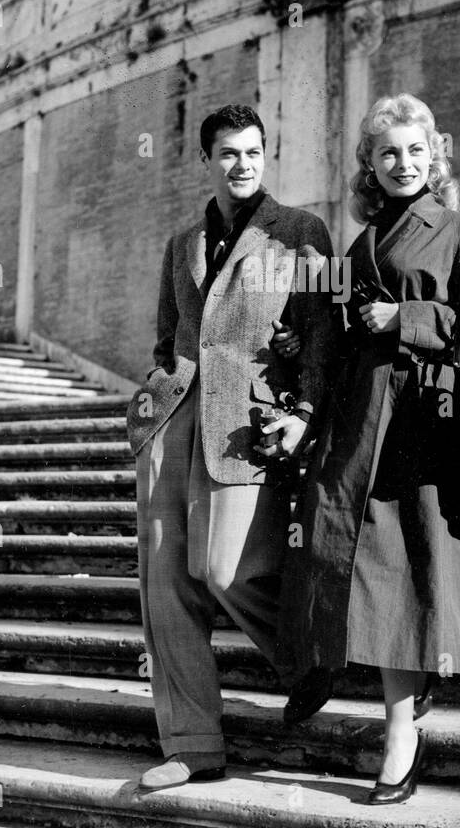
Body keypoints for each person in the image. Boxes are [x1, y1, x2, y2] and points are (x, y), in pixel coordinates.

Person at [276, 93, 460, 805]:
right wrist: (302, 345)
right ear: (369, 169)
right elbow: (346, 331)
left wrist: (404, 316)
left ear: (433, 158)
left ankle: (399, 741)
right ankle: (372, 687)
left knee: (408, 576)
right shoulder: (360, 244)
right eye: (388, 154)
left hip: (423, 427)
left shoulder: (457, 229)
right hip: (360, 430)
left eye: (415, 151)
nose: (403, 163)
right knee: (362, 569)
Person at [126, 103, 340, 791]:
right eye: (228, 153)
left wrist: (302, 409)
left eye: (253, 152)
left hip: (249, 421)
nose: (243, 164)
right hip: (176, 420)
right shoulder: (181, 241)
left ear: (266, 156)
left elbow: (323, 336)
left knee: (224, 568)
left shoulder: (302, 233)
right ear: (206, 159)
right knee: (166, 587)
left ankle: (311, 656)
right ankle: (192, 744)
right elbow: (169, 338)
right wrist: (155, 393)